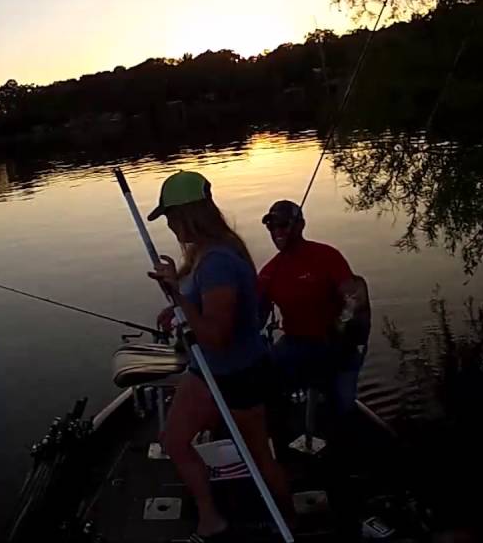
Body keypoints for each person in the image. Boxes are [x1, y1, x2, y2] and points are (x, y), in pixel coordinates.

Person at [145, 170, 292, 540]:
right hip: (205, 371)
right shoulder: (203, 252)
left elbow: (215, 335)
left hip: (238, 373)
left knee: (258, 455)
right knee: (174, 441)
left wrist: (178, 299)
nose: (172, 228)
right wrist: (175, 295)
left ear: (189, 214)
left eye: (172, 218)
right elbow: (197, 301)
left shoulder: (219, 262)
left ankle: (287, 519)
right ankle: (211, 519)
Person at [257, 200, 367, 414]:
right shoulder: (268, 272)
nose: (277, 231)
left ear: (300, 225)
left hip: (337, 342)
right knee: (264, 381)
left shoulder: (327, 256)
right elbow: (256, 316)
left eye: (283, 225)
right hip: (295, 343)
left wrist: (343, 322)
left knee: (342, 405)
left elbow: (354, 295)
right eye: (272, 226)